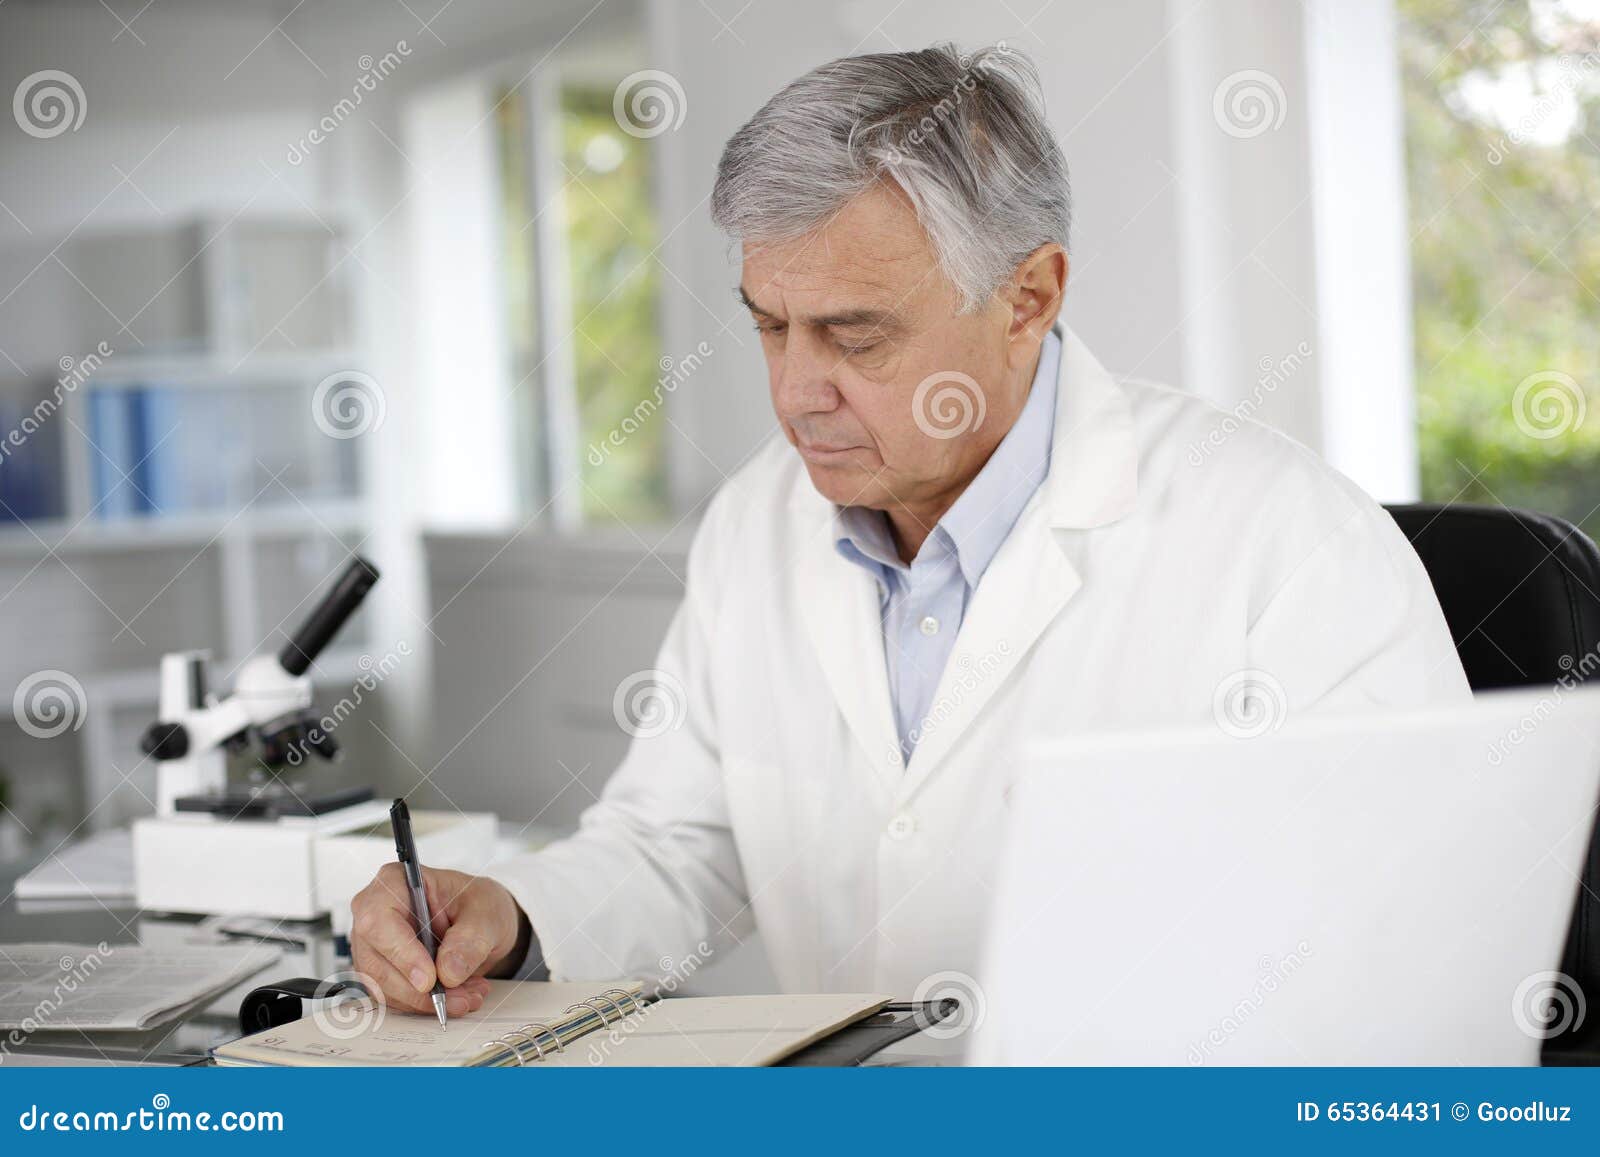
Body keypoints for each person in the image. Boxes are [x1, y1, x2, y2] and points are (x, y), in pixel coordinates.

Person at [351, 43, 1470, 1019]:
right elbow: (679, 843)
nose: (796, 392)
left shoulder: (1280, 536)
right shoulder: (757, 523)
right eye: (770, 327)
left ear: (1029, 297)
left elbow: (1404, 933)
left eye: (855, 336)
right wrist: (515, 908)